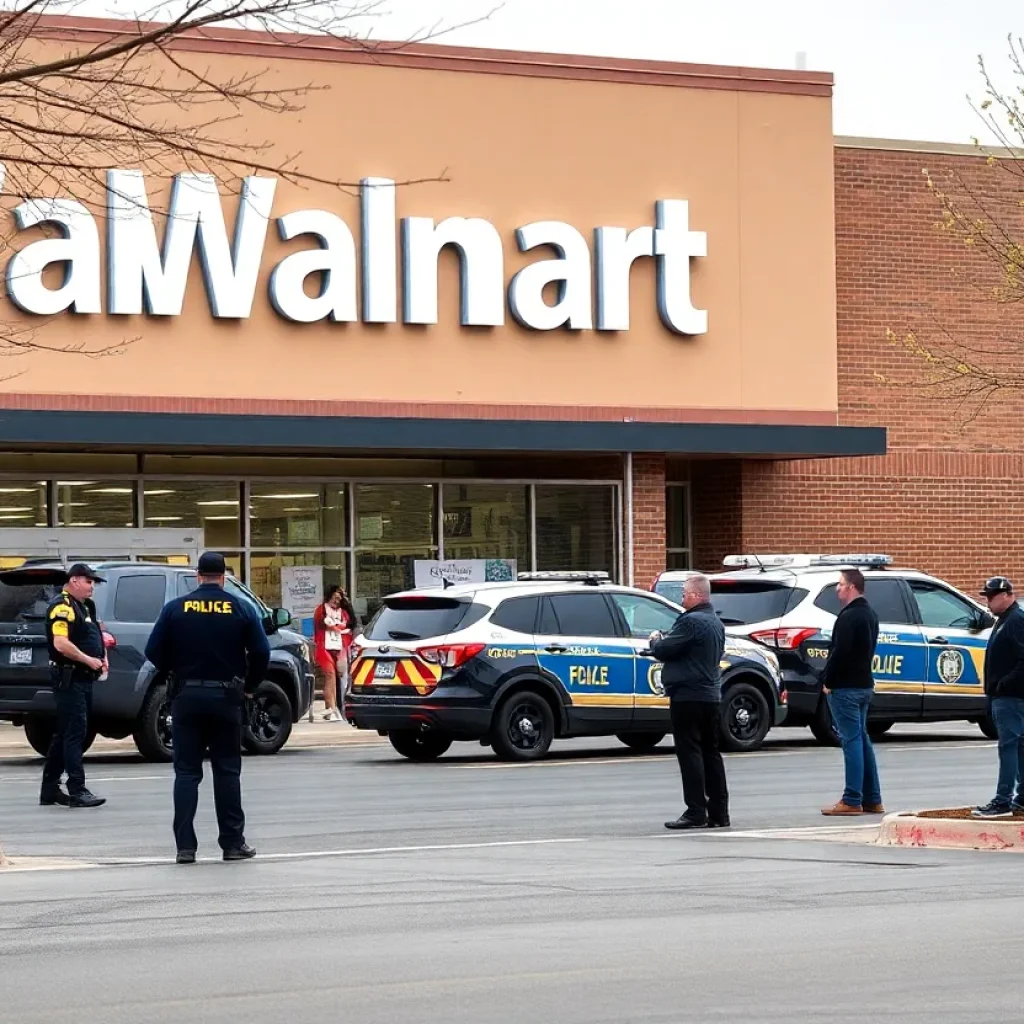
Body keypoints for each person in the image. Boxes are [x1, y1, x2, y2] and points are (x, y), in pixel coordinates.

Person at [145, 551, 270, 864]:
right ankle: (232, 843)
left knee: (186, 773)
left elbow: (152, 650)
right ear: (224, 577)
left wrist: (175, 671)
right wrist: (250, 685)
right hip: (227, 698)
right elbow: (262, 652)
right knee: (227, 771)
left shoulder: (175, 608)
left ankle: (185, 847)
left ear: (198, 576)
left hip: (186, 698)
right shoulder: (241, 607)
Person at [650, 574, 730, 830]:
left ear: (697, 595)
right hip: (710, 696)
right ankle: (719, 812)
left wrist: (655, 639)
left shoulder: (691, 622)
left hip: (688, 695)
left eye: (684, 593)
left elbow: (663, 649)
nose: (682, 597)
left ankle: (696, 810)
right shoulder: (715, 622)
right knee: (711, 752)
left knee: (690, 752)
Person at [40, 563, 108, 809]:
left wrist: (102, 659)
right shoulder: (62, 606)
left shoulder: (85, 606)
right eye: (89, 582)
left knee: (65, 732)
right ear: (75, 580)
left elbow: (94, 635)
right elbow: (61, 643)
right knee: (75, 733)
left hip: (83, 677)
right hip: (69, 677)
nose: (92, 587)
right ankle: (77, 789)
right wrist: (89, 659)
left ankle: (49, 789)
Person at [820, 568, 883, 816]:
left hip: (846, 687)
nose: (837, 588)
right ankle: (873, 798)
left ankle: (852, 798)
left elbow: (840, 652)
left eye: (841, 584)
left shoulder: (848, 617)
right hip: (864, 684)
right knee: (861, 738)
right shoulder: (870, 615)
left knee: (851, 741)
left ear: (852, 587)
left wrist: (828, 680)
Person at [972, 576, 1024, 819]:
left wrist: (1004, 685)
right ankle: (1021, 798)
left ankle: (1003, 801)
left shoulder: (1015, 620)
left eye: (992, 597)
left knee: (1009, 746)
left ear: (1006, 595)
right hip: (1004, 695)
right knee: (1018, 746)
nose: (988, 602)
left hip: (1011, 697)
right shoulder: (1005, 619)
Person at [312, 584, 359, 722]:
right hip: (324, 647)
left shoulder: (344, 613)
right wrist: (335, 626)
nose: (336, 601)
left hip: (340, 649)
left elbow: (350, 624)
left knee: (342, 678)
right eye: (334, 598)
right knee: (330, 676)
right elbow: (323, 624)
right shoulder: (321, 610)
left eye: (338, 599)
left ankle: (338, 708)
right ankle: (331, 709)